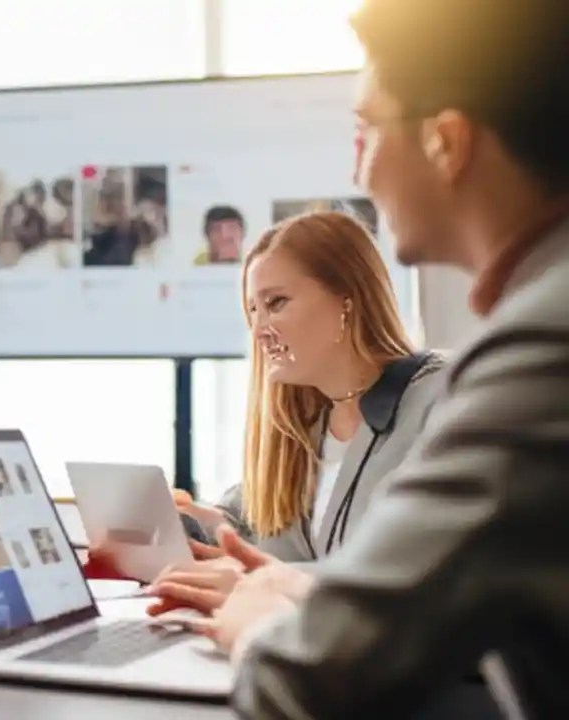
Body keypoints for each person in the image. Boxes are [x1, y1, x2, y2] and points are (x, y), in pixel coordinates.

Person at [194, 0, 569, 716]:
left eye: (366, 131)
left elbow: (310, 681)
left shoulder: (542, 348)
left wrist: (258, 623)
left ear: (446, 142)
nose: (359, 170)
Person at [86, 212, 446, 614]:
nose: (259, 330)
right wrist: (183, 522)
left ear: (348, 299)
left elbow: (424, 571)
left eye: (276, 303)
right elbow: (249, 522)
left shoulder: (444, 400)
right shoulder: (310, 429)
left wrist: (263, 585)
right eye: (253, 310)